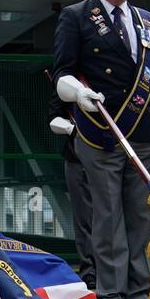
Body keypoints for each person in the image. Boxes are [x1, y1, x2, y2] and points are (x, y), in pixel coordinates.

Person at [53, 0, 150, 299]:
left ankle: (139, 295)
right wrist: (77, 93)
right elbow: (61, 73)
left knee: (140, 215)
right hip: (101, 131)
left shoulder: (148, 20)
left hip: (147, 131)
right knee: (106, 215)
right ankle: (110, 295)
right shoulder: (76, 17)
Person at [48, 94, 95, 288]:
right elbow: (54, 119)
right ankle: (90, 270)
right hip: (77, 158)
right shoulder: (67, 85)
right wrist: (72, 128)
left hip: (113, 158)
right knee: (83, 217)